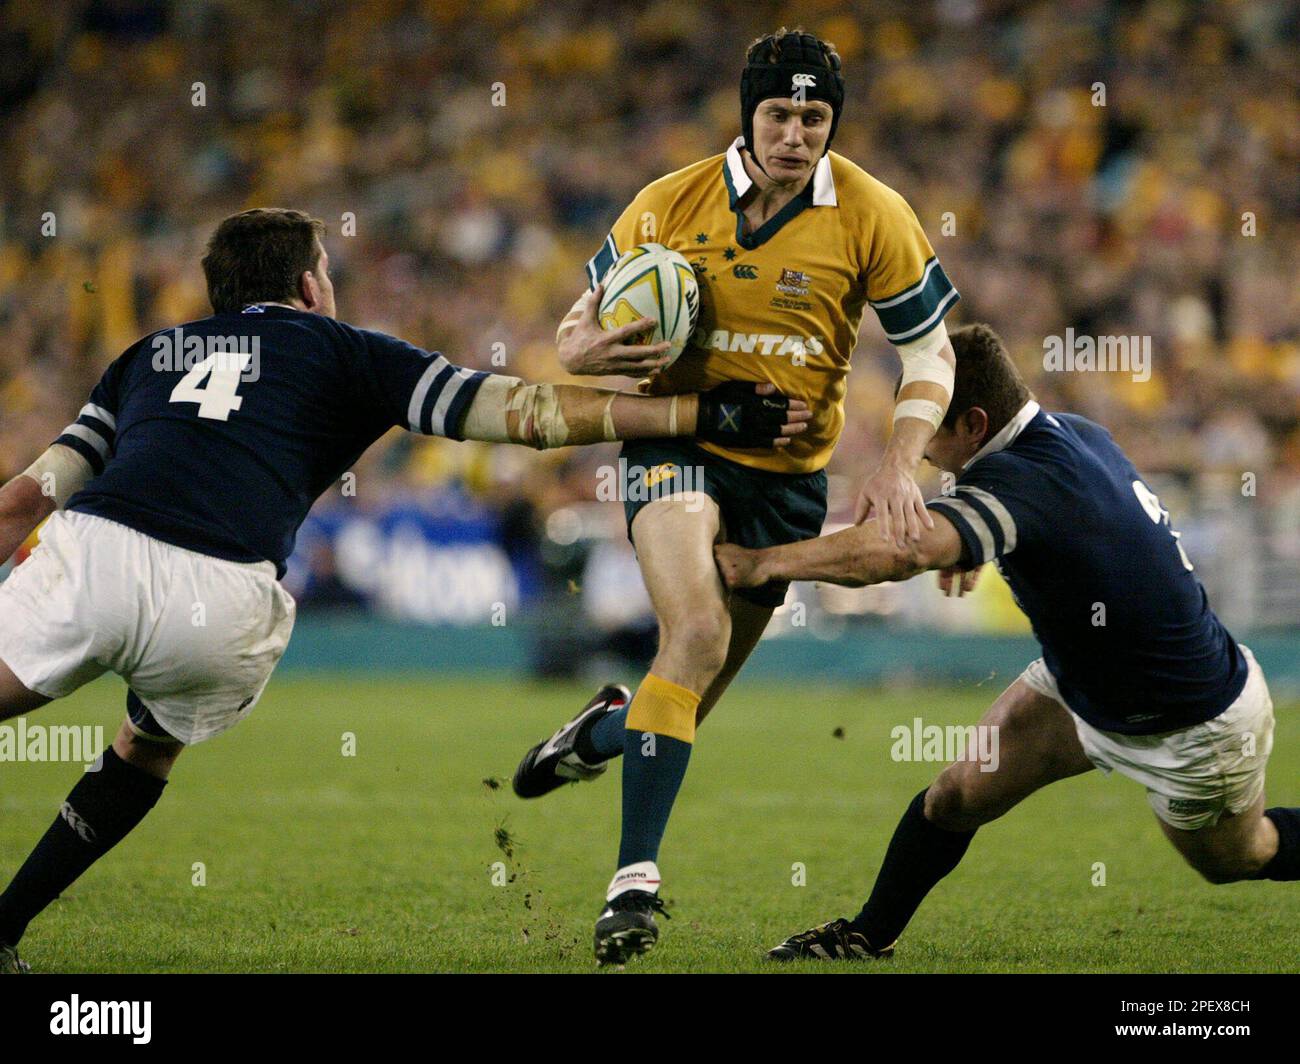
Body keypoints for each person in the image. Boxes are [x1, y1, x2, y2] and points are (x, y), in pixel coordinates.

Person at [0, 207, 809, 974]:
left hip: (95, 551)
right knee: (146, 746)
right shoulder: (347, 349)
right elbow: (520, 412)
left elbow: (23, 500)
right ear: (311, 288)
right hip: (220, 597)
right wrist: (700, 413)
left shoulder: (148, 353)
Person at [511, 28, 962, 964]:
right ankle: (632, 887)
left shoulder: (874, 212)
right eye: (780, 114)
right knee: (698, 637)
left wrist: (899, 462)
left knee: (688, 694)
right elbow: (577, 330)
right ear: (747, 114)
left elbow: (932, 353)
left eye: (816, 117)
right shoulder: (668, 202)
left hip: (789, 485)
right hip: (680, 445)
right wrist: (586, 353)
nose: (797, 134)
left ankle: (599, 733)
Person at [712, 323, 1298, 962]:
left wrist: (764, 563)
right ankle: (864, 936)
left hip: (1192, 722)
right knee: (957, 794)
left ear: (973, 422)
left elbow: (899, 549)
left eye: (928, 421)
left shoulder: (1027, 483)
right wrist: (971, 534)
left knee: (1238, 858)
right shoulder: (1072, 433)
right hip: (1082, 686)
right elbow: (1055, 526)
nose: (918, 445)